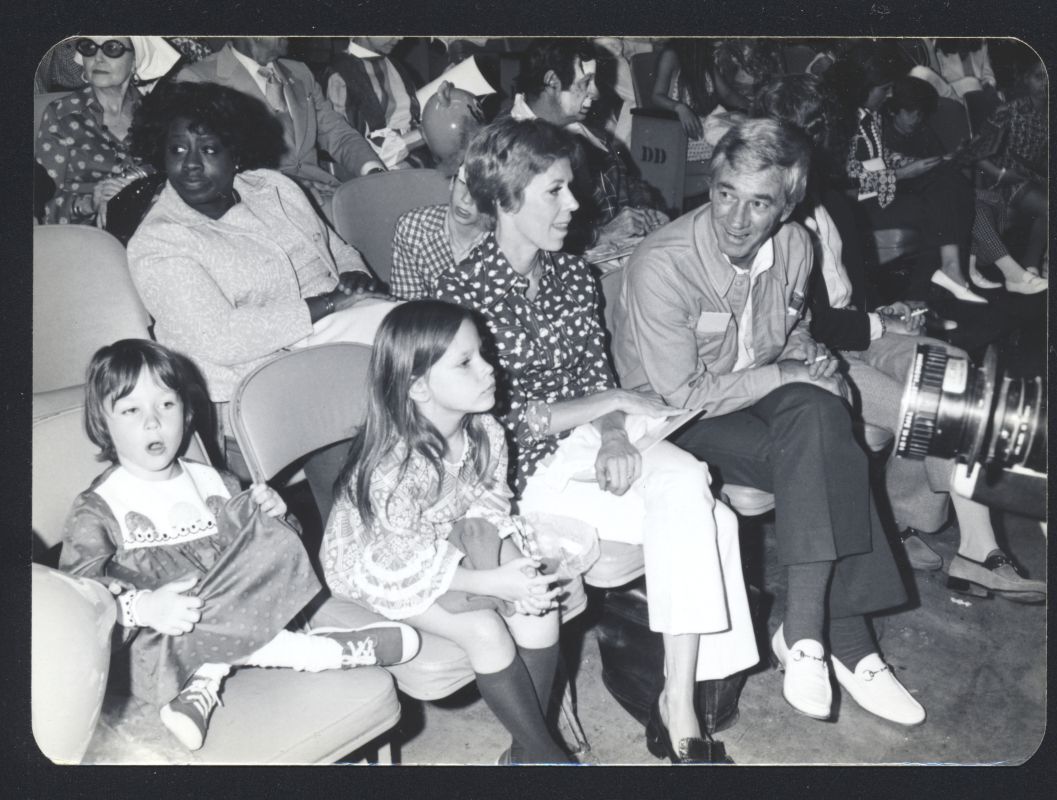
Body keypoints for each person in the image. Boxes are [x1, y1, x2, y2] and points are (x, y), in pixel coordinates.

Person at [437, 118, 756, 763]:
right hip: (514, 476)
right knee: (712, 518)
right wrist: (607, 406)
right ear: (505, 198)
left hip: (585, 448)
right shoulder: (459, 296)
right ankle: (681, 706)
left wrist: (613, 433)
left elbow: (598, 379)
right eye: (555, 191)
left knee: (691, 481)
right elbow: (491, 421)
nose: (574, 205)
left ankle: (680, 702)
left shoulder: (573, 279)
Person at [613, 117, 926, 728]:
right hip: (672, 418)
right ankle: (843, 638)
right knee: (825, 435)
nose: (735, 219)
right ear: (710, 184)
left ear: (788, 206)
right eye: (725, 193)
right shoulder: (663, 263)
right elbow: (684, 393)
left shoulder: (798, 247)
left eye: (759, 204)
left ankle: (805, 635)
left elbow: (784, 329)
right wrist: (787, 376)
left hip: (747, 389)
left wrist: (809, 354)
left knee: (820, 413)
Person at [750, 75, 1045, 600]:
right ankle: (979, 549)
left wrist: (890, 310)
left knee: (953, 364)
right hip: (812, 353)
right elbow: (805, 324)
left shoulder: (832, 205)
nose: (847, 153)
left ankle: (910, 519)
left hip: (857, 332)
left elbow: (850, 294)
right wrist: (880, 324)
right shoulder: (769, 216)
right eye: (835, 141)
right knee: (928, 401)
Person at [59, 339, 419, 752]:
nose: (153, 423)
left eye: (167, 405)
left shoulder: (212, 481)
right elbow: (79, 599)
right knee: (189, 610)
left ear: (186, 410)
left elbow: (268, 553)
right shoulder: (99, 506)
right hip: (161, 642)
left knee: (267, 539)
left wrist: (274, 514)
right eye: (130, 410)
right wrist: (143, 607)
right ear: (102, 423)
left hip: (237, 614)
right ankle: (326, 651)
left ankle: (205, 680)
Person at [323, 301, 570, 764]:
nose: (489, 367)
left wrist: (519, 571)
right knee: (485, 630)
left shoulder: (485, 432)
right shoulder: (395, 470)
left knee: (539, 608)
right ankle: (546, 758)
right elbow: (401, 557)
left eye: (482, 353)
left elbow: (488, 506)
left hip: (447, 535)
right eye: (465, 362)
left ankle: (527, 755)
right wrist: (493, 583)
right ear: (417, 386)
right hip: (381, 560)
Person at [126, 82, 399, 421]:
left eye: (209, 150)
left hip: (339, 331)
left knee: (428, 338)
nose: (192, 164)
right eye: (178, 150)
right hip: (258, 378)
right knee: (412, 358)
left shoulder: (275, 188)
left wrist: (352, 274)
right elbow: (222, 338)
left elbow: (335, 247)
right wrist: (329, 304)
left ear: (236, 155)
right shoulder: (158, 242)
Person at [828, 46, 984, 305]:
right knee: (936, 209)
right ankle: (922, 296)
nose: (890, 94)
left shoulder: (872, 114)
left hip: (883, 190)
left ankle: (948, 271)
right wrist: (901, 173)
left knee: (947, 178)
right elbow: (847, 180)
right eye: (884, 88)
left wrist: (914, 164)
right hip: (857, 203)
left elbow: (881, 157)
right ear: (863, 86)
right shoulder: (841, 123)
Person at [176, 38, 385, 210]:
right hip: (255, 205)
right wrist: (288, 186)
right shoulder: (199, 79)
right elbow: (210, 163)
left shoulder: (301, 73)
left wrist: (373, 171)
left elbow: (338, 134)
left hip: (323, 194)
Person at [882, 76, 1045, 295]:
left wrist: (953, 157)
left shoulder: (921, 130)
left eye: (921, 113)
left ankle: (977, 268)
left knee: (985, 199)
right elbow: (893, 174)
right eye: (911, 112)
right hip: (909, 194)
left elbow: (937, 162)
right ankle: (1012, 273)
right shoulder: (883, 133)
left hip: (937, 190)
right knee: (977, 202)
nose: (917, 118)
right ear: (893, 110)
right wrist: (921, 168)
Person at [510, 39, 668, 253]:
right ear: (552, 81)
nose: (595, 93)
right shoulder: (512, 146)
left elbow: (630, 183)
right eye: (585, 83)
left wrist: (644, 212)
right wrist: (601, 234)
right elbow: (530, 234)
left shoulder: (587, 131)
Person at [35, 36, 180, 225]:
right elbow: (40, 202)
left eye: (112, 48)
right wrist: (89, 203)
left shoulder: (159, 113)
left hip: (154, 227)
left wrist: (137, 179)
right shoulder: (62, 114)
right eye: (89, 47)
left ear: (135, 60)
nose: (98, 58)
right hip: (85, 238)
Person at [971, 57, 1049, 285]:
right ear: (1026, 79)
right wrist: (1001, 175)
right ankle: (1030, 266)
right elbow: (975, 155)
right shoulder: (1008, 111)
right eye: (1038, 76)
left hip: (1036, 179)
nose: (1045, 83)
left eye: (1049, 76)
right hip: (1007, 181)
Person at [323, 36, 428, 168]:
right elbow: (348, 145)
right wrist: (426, 134)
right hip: (384, 169)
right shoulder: (340, 73)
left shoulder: (396, 65)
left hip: (417, 155)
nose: (400, 37)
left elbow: (414, 116)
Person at [390, 164, 489, 300]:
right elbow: (408, 308)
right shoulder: (413, 228)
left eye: (480, 192)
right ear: (452, 182)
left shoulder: (505, 241)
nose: (466, 199)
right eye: (462, 183)